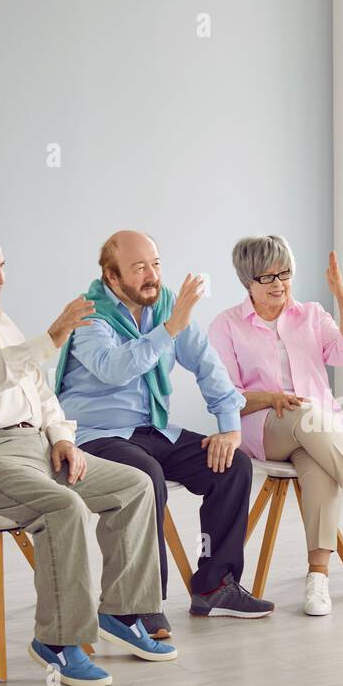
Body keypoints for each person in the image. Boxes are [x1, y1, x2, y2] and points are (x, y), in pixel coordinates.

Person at [0, 227, 176, 686]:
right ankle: (58, 643)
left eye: (2, 266)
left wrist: (61, 437)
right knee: (62, 507)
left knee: (133, 485)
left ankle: (123, 614)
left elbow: (41, 393)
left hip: (35, 449)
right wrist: (50, 337)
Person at [55, 230, 274, 625]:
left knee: (233, 466)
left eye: (155, 264)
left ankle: (214, 584)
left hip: (151, 429)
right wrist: (170, 328)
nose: (152, 275)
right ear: (112, 276)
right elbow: (113, 368)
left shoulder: (166, 308)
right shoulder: (88, 314)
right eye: (139, 268)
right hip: (95, 435)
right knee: (144, 475)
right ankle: (142, 603)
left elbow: (207, 365)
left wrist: (229, 426)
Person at [208, 236, 343, 616]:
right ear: (246, 281)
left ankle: (318, 578)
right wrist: (270, 398)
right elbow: (225, 396)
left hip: (315, 432)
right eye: (266, 277)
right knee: (305, 415)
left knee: (316, 460)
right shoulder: (227, 326)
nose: (278, 284)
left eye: (283, 273)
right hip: (262, 427)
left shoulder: (312, 315)